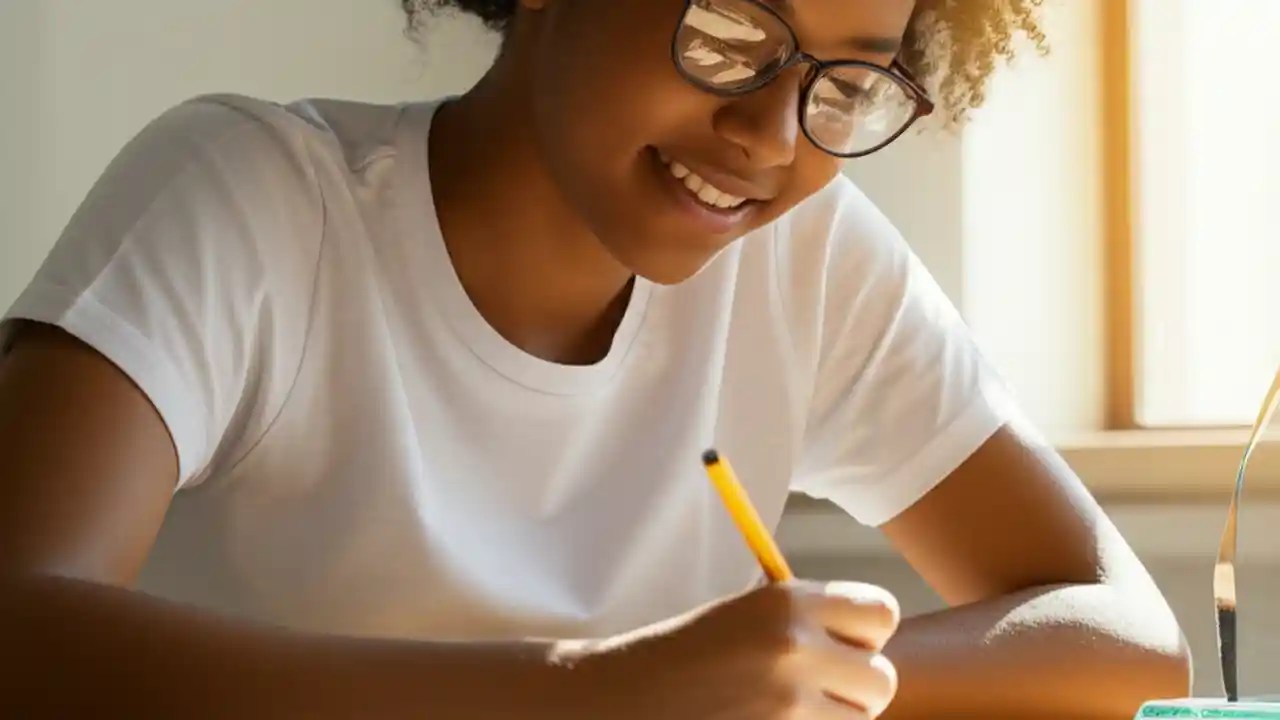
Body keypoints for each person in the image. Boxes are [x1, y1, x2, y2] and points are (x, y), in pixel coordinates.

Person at [0, 0, 1191, 716]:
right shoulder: (252, 198)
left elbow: (1124, 641)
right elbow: (21, 628)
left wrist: (766, 687)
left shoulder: (806, 259)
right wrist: (598, 691)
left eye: (848, 81)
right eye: (727, 33)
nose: (771, 137)